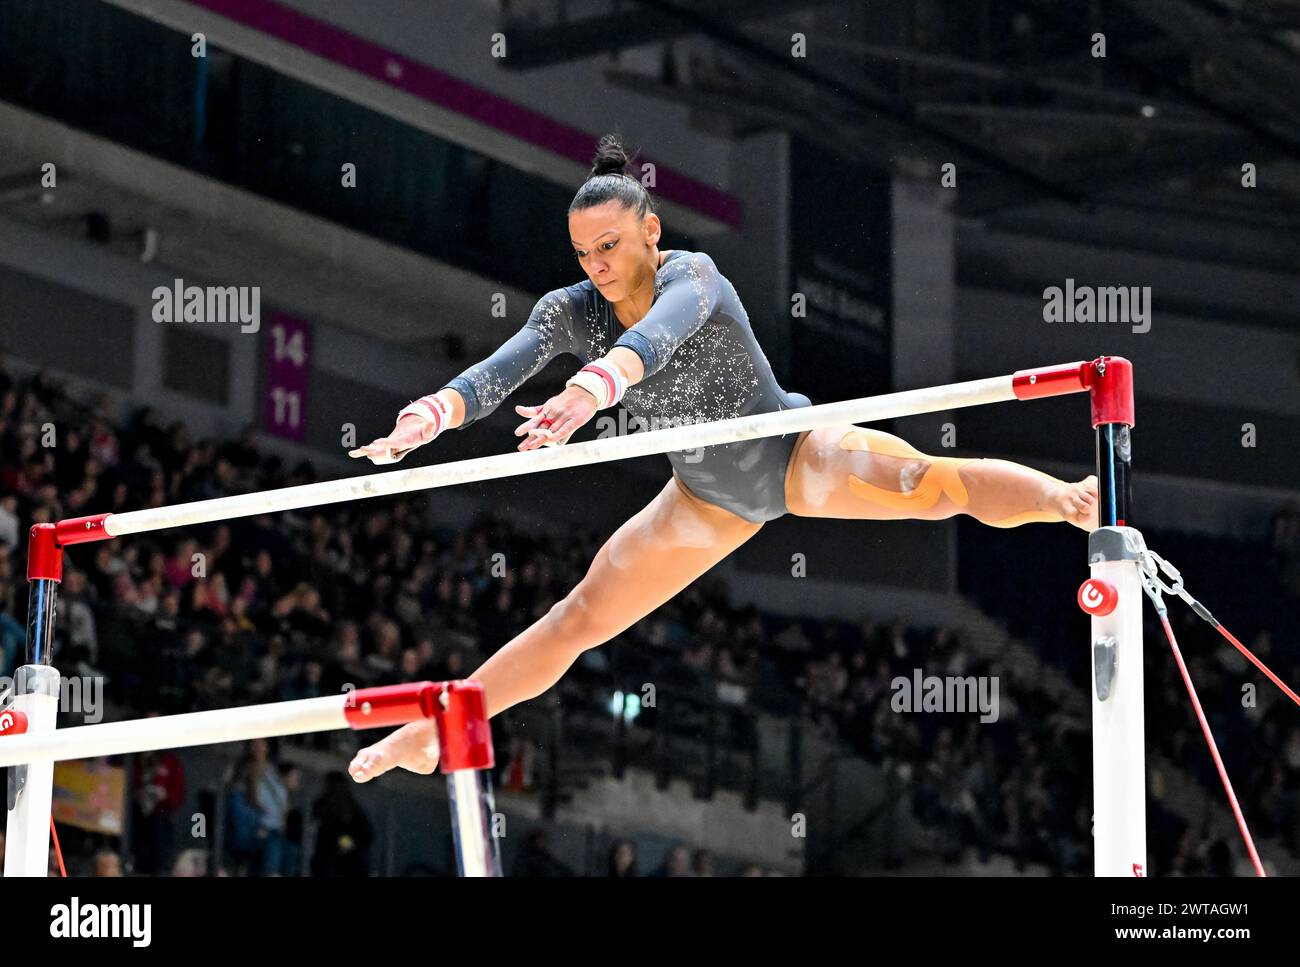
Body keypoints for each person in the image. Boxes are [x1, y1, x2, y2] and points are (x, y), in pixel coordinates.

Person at [347, 134, 1098, 782]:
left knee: (929, 485)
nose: (598, 266)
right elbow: (496, 373)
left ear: (650, 229)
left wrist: (589, 388)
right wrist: (429, 415)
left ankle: (1061, 498)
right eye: (583, 252)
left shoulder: (693, 276)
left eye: (610, 246)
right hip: (705, 496)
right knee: (577, 618)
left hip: (794, 449)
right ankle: (435, 730)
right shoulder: (570, 310)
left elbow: (657, 339)